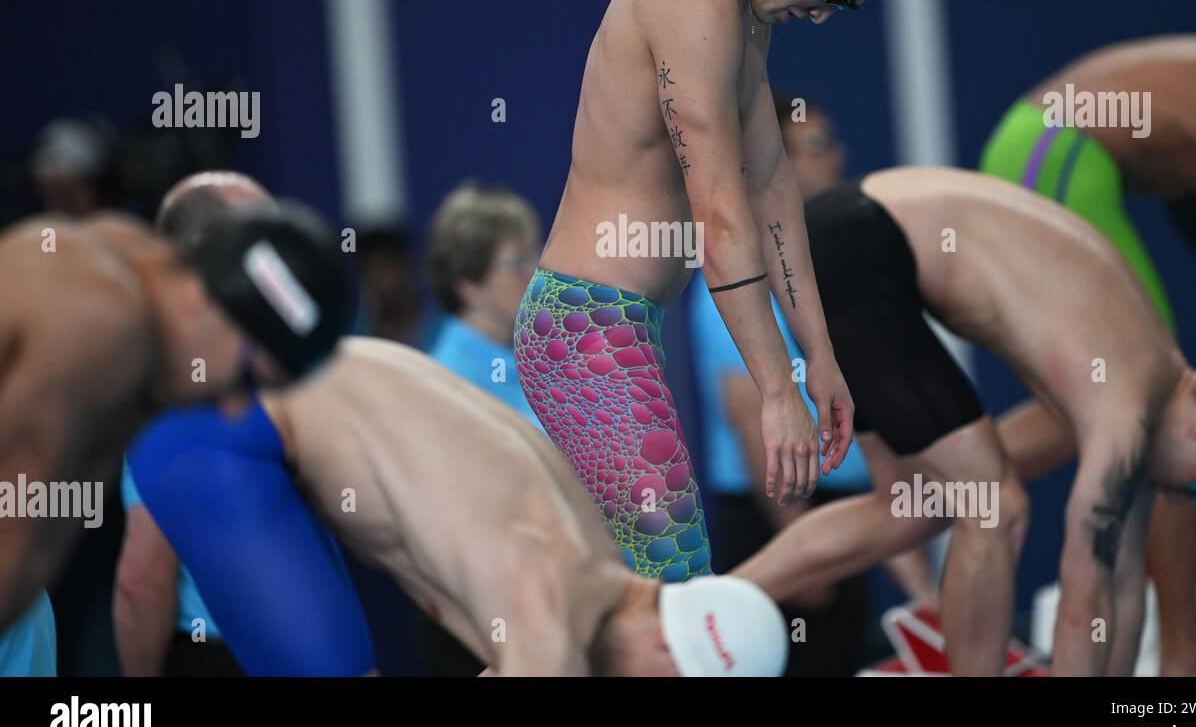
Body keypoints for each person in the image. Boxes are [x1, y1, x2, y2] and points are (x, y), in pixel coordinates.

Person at [735, 168, 1196, 675]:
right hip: (861, 247)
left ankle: (706, 601)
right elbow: (1082, 603)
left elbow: (1122, 589)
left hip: (850, 237)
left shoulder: (1155, 391)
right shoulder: (1126, 412)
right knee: (994, 506)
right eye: (1195, 487)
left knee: (910, 507)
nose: (1178, 497)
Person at [514, 0, 905, 580]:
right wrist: (777, 391)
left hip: (611, 324)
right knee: (675, 589)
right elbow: (722, 220)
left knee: (624, 610)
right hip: (584, 328)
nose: (822, 17)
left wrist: (819, 354)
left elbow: (774, 189)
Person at [132, 336, 788, 676]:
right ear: (667, 652)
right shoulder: (548, 604)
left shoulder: (591, 557)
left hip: (245, 405)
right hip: (219, 431)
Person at [980, 34, 1196, 672]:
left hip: (1087, 150)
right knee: (1164, 402)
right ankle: (1183, 656)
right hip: (1056, 143)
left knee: (1134, 406)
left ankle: (953, 470)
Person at [0, 188, 352, 630]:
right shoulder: (102, 321)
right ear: (203, 302)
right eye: (246, 379)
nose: (233, 410)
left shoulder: (133, 262)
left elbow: (42, 541)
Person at [689, 93, 934, 675]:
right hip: (777, 511)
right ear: (771, 163)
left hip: (850, 507)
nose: (838, 159)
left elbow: (880, 432)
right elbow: (752, 421)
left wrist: (925, 592)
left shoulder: (832, 270)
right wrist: (797, 545)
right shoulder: (739, 284)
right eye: (817, 147)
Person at [427, 182, 541, 426]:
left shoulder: (532, 358)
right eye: (517, 263)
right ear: (468, 285)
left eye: (534, 256)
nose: (535, 274)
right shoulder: (450, 383)